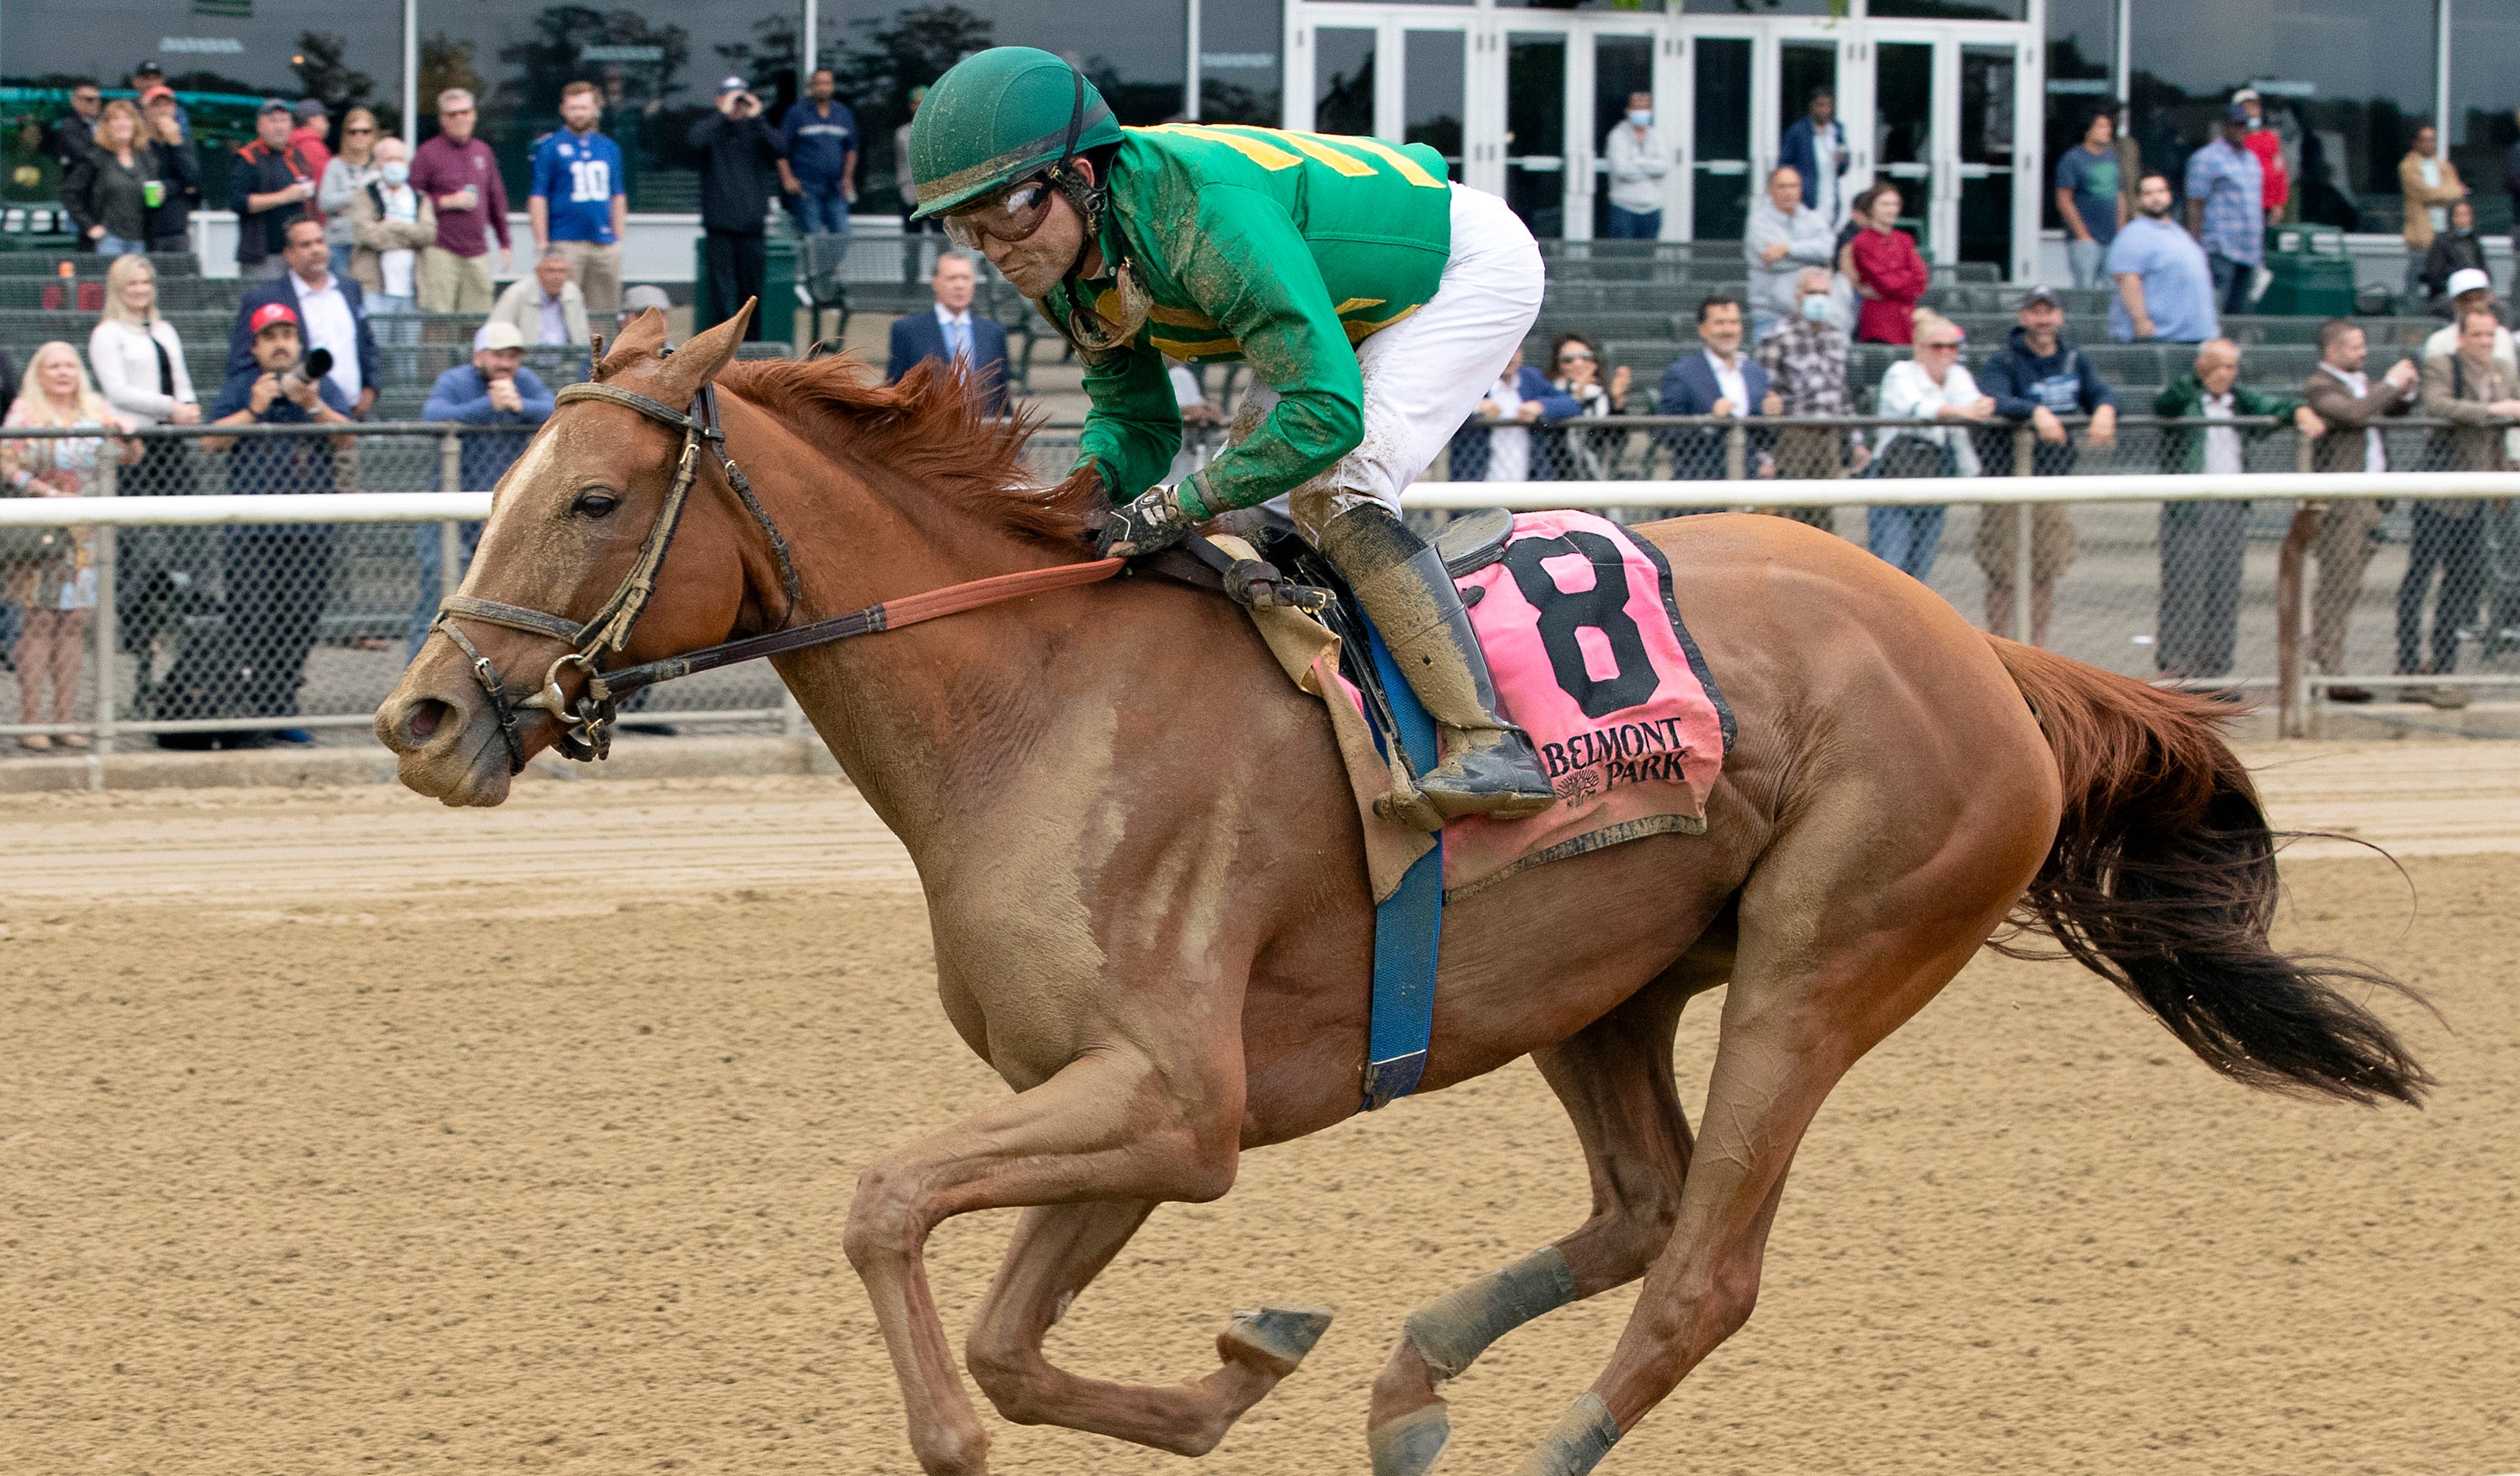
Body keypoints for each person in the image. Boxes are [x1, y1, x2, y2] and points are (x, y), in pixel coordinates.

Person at [909, 46, 1554, 816]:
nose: (995, 251)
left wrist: (1176, 503)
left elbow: (1327, 411)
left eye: (1009, 214)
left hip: (1457, 267)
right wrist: (1085, 495)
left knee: (1333, 485)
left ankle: (1489, 743)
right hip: (1333, 298)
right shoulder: (1062, 263)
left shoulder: (1197, 218)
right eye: (965, 229)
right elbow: (1135, 417)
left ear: (1081, 177)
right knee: (1247, 511)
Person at [200, 303, 353, 744]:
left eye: (287, 334)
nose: (281, 343)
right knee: (251, 619)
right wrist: (253, 410)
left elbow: (349, 439)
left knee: (300, 620)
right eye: (270, 336)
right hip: (249, 530)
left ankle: (283, 707)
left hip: (311, 529)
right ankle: (251, 711)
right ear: (255, 347)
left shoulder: (322, 386)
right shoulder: (240, 386)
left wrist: (314, 406)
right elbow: (209, 442)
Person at [2151, 338, 2323, 682]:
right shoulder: (2184, 398)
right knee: (2185, 585)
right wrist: (2197, 381)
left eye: (2232, 366)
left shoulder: (2240, 401)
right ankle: (2177, 667)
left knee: (2224, 588)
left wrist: (2299, 410)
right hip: (2189, 507)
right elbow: (2165, 405)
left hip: (2230, 505)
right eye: (2220, 365)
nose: (2227, 374)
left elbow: (2273, 406)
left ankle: (2216, 670)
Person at [1, 342, 135, 750]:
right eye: (54, 366)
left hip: (84, 536)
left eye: (69, 366)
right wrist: (41, 491)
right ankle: (30, 720)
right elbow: (4, 461)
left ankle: (65, 718)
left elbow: (129, 456)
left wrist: (128, 437)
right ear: (39, 373)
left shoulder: (95, 410)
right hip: (39, 532)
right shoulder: (25, 412)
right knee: (38, 622)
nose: (62, 373)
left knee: (74, 623)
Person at [1972, 284, 2118, 646]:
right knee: (2003, 572)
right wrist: (2036, 412)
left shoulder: (2074, 359)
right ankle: (1999, 650)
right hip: (2006, 482)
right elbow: (1994, 398)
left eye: (2049, 311)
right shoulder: (2004, 359)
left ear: (2060, 316)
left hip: (2052, 481)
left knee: (2044, 571)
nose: (2043, 319)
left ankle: (2036, 651)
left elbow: (2099, 391)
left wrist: (2105, 410)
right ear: (2023, 317)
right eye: (2035, 312)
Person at [409, 321, 555, 658]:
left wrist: (519, 405)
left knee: (504, 612)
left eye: (513, 356)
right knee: (436, 604)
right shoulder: (455, 380)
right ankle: (412, 688)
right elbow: (433, 416)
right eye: (498, 355)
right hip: (449, 515)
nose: (506, 364)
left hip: (505, 515)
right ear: (478, 355)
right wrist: (488, 405)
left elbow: (555, 408)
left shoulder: (524, 382)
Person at [2400, 306, 2520, 705]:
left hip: (2478, 494)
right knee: (2419, 579)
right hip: (2439, 490)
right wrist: (2491, 411)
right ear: (2462, 337)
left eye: (2490, 335)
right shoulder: (2441, 364)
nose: (2486, 343)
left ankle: (2445, 667)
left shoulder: (2504, 368)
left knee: (2459, 584)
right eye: (2478, 335)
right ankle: (2406, 663)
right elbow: (2437, 405)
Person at [2300, 319, 2420, 702]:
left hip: (2371, 498)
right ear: (2332, 351)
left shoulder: (2363, 384)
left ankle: (2329, 667)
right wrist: (2389, 384)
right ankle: (2328, 672)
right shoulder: (2319, 386)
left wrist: (2405, 392)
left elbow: (2387, 410)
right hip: (2343, 502)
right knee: (2337, 586)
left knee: (2350, 587)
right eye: (2355, 346)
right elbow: (2354, 414)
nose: (2363, 352)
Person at [1869, 312, 1990, 583]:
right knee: (1891, 567)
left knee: (1920, 568)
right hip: (1895, 472)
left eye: (1953, 347)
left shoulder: (1958, 375)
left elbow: (1974, 404)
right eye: (1938, 346)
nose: (1946, 353)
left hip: (1938, 470)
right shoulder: (1900, 372)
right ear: (1919, 349)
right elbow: (1919, 408)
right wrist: (1962, 410)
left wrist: (1979, 406)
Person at [227, 217, 381, 421]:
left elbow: (366, 343)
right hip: (298, 420)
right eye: (306, 245)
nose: (316, 249)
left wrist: (371, 388)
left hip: (351, 417)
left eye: (320, 241)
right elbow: (243, 361)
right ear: (288, 254)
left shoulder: (350, 289)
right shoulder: (265, 298)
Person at [1755, 268, 1867, 532]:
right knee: (1789, 517)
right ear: (1798, 296)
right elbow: (1764, 398)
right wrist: (1766, 455)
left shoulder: (1835, 337)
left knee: (1823, 520)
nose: (1819, 298)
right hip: (1793, 437)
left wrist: (1857, 441)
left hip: (1829, 438)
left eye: (1824, 293)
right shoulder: (1777, 337)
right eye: (1812, 292)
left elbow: (1842, 394)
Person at [89, 253, 200, 497]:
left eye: (146, 282)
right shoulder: (107, 333)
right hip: (132, 440)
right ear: (118, 289)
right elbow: (117, 391)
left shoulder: (165, 329)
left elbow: (180, 376)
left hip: (171, 440)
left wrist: (189, 405)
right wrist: (170, 407)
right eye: (133, 283)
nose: (141, 289)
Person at [690, 76, 785, 340]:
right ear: (720, 101)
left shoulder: (757, 130)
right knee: (720, 296)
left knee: (752, 295)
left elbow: (781, 148)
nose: (737, 106)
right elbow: (694, 142)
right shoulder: (711, 130)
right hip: (719, 228)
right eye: (731, 99)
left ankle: (751, 349)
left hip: (752, 228)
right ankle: (717, 350)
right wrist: (722, 115)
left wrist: (758, 117)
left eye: (741, 99)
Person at [411, 89, 511, 314]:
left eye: (464, 112)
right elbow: (410, 200)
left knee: (477, 321)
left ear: (473, 114)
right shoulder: (427, 153)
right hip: (440, 249)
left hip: (477, 250)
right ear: (442, 118)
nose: (459, 118)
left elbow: (497, 198)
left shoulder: (482, 151)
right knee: (439, 321)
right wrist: (446, 201)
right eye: (452, 114)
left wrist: (504, 242)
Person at [529, 81, 627, 313]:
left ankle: (601, 352)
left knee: (604, 314)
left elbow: (618, 196)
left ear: (595, 109)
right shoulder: (550, 147)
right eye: (573, 108)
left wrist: (618, 237)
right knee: (563, 309)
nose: (579, 113)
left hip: (604, 243)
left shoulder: (609, 148)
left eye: (584, 107)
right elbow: (538, 197)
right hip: (565, 241)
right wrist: (542, 242)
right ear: (563, 109)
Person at [1658, 295, 1780, 480]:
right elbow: (1665, 434)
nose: (1728, 330)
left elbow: (1766, 441)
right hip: (1702, 486)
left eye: (1733, 322)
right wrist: (1710, 422)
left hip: (1748, 483)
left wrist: (1771, 418)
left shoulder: (1756, 374)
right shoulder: (1683, 373)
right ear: (1702, 330)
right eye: (1720, 323)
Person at [884, 249, 1009, 415]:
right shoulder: (908, 331)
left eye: (966, 278)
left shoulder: (993, 333)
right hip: (930, 432)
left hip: (982, 431)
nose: (960, 285)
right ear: (935, 283)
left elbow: (1002, 395)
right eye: (952, 278)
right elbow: (894, 389)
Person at [2108, 173, 2216, 343]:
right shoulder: (2133, 235)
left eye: (2160, 191)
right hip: (2160, 337)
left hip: (2194, 334)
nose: (2156, 198)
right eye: (2148, 194)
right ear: (2137, 200)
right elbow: (2127, 279)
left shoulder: (2178, 232)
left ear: (2169, 196)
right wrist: (2141, 321)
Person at [1446, 346, 1577, 483]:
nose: (1509, 356)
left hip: (1528, 487)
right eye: (1503, 348)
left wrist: (1541, 406)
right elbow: (1443, 406)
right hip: (1478, 485)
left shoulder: (1531, 379)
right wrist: (1476, 406)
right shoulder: (1471, 379)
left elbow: (1572, 404)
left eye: (1515, 349)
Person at [2185, 104, 2265, 319]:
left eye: (2244, 125)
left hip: (2249, 251)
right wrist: (2193, 246)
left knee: (2241, 316)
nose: (2241, 129)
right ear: (2225, 126)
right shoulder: (2206, 158)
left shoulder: (2251, 159)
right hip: (2221, 248)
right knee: (2217, 312)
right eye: (2236, 124)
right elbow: (2195, 204)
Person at [229, 99, 318, 284]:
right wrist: (284, 197)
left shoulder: (296, 155)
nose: (279, 127)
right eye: (273, 121)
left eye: (284, 121)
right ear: (260, 126)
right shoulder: (247, 157)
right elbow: (238, 202)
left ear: (291, 126)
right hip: (263, 255)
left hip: (296, 253)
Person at [1745, 165, 1835, 342]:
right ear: (1771, 191)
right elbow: (1774, 261)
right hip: (1770, 315)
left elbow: (1827, 250)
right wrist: (1812, 260)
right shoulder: (1758, 222)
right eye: (1782, 187)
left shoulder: (1814, 218)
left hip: (1811, 315)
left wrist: (1787, 249)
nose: (1789, 192)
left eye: (1793, 186)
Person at [349, 135, 433, 322]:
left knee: (409, 350)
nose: (395, 164)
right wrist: (409, 231)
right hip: (375, 288)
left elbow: (428, 234)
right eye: (389, 159)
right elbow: (367, 234)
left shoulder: (419, 198)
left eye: (400, 159)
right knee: (378, 348)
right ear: (378, 164)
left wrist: (391, 226)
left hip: (411, 289)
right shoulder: (365, 195)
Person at [61, 99, 157, 258]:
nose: (122, 123)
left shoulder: (146, 159)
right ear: (106, 125)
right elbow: (70, 193)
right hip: (108, 240)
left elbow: (151, 202)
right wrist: (89, 226)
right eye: (116, 119)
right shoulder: (95, 158)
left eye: (127, 118)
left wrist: (157, 200)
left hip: (140, 239)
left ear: (135, 124)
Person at [780, 67, 859, 239]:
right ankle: (817, 267)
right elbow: (781, 150)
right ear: (811, 86)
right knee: (812, 240)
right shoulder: (797, 113)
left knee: (842, 236)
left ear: (833, 86)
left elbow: (851, 150)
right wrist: (788, 179)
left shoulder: (843, 114)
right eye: (819, 83)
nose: (823, 87)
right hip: (807, 188)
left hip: (836, 188)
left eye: (827, 83)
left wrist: (847, 178)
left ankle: (826, 267)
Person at [1540, 331, 1630, 480]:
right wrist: (1576, 398)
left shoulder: (1600, 397)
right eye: (1568, 359)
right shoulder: (1548, 393)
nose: (1578, 363)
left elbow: (1618, 441)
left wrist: (1617, 401)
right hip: (1556, 478)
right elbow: (1553, 441)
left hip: (1595, 475)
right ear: (1557, 365)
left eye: (1585, 357)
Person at [1845, 184, 1926, 345]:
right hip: (1879, 325)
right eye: (1885, 204)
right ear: (1871, 208)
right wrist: (1906, 278)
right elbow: (1885, 282)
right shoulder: (1863, 242)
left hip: (1907, 324)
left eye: (1895, 204)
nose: (1891, 209)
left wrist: (1898, 281)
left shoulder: (1905, 239)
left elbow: (1920, 280)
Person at [2399, 123, 2468, 312]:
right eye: (2425, 140)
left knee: (2442, 272)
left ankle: (2437, 309)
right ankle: (2410, 312)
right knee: (2417, 271)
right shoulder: (2408, 167)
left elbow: (2459, 192)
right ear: (2416, 143)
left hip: (2444, 230)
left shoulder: (2443, 166)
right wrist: (2448, 193)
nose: (2429, 144)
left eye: (2432, 140)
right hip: (2422, 231)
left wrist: (2443, 193)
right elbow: (2425, 193)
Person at [2053, 109, 2125, 291]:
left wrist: (2121, 231)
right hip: (2086, 241)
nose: (2107, 130)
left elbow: (2119, 195)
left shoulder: (2112, 157)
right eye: (2101, 126)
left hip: (2112, 240)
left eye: (2109, 126)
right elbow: (2064, 200)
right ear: (2087, 130)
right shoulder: (2072, 159)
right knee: (2085, 293)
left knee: (2113, 293)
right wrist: (2082, 235)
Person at [318, 106, 384, 285]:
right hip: (340, 243)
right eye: (353, 132)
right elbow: (324, 202)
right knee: (340, 297)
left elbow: (385, 205)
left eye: (365, 131)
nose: (359, 136)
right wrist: (362, 194)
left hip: (372, 245)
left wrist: (346, 206)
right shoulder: (335, 165)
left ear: (373, 134)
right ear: (345, 135)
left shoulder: (381, 166)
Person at [139, 86, 199, 253]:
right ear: (146, 111)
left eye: (168, 105)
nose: (163, 110)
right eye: (156, 105)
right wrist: (178, 186)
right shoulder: (139, 144)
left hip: (177, 229)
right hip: (145, 230)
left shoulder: (183, 142)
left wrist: (175, 144)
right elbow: (140, 179)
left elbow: (192, 179)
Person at [491, 247, 592, 346]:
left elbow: (582, 336)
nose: (557, 277)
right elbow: (496, 330)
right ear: (538, 272)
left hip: (569, 360)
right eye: (550, 271)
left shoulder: (573, 293)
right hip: (527, 360)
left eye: (562, 271)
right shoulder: (517, 293)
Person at [1779, 87, 1849, 226]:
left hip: (1830, 199)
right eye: (1820, 105)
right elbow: (1784, 166)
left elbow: (1843, 168)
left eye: (1828, 105)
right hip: (1806, 201)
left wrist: (1843, 161)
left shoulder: (1837, 130)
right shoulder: (1797, 132)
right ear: (1812, 106)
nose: (1825, 110)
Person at [1602, 92, 1667, 240]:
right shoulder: (1617, 136)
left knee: (1648, 258)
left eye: (1645, 108)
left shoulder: (1657, 136)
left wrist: (1636, 161)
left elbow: (1663, 166)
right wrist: (1650, 165)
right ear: (1628, 110)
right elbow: (1622, 170)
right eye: (1637, 107)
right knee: (1624, 256)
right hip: (1623, 207)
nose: (1641, 112)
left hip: (1653, 207)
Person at [894, 84, 939, 283]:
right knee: (911, 246)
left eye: (922, 103)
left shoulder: (939, 131)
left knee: (943, 245)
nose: (918, 107)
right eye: (915, 103)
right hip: (910, 194)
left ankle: (941, 288)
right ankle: (910, 292)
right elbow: (901, 164)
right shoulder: (902, 133)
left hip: (936, 196)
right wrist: (903, 187)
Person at [2231, 89, 2290, 228]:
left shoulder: (2271, 137)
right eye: (2245, 107)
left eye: (2254, 106)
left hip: (2268, 205)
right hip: (2243, 206)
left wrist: (2279, 204)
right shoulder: (2234, 141)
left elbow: (2280, 171)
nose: (2251, 111)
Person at [2419, 198, 2487, 313]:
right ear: (2452, 218)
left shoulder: (2475, 242)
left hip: (2476, 292)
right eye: (2460, 215)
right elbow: (2435, 277)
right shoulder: (2441, 242)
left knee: (2498, 308)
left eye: (2466, 214)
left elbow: (2484, 270)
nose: (2464, 219)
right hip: (2448, 294)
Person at [46, 80, 100, 174]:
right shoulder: (67, 126)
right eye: (90, 99)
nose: (97, 103)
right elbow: (84, 154)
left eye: (98, 99)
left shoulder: (103, 124)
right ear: (74, 102)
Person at [288, 99, 333, 192]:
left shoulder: (287, 142)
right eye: (324, 119)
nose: (328, 124)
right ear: (312, 120)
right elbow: (325, 185)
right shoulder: (315, 148)